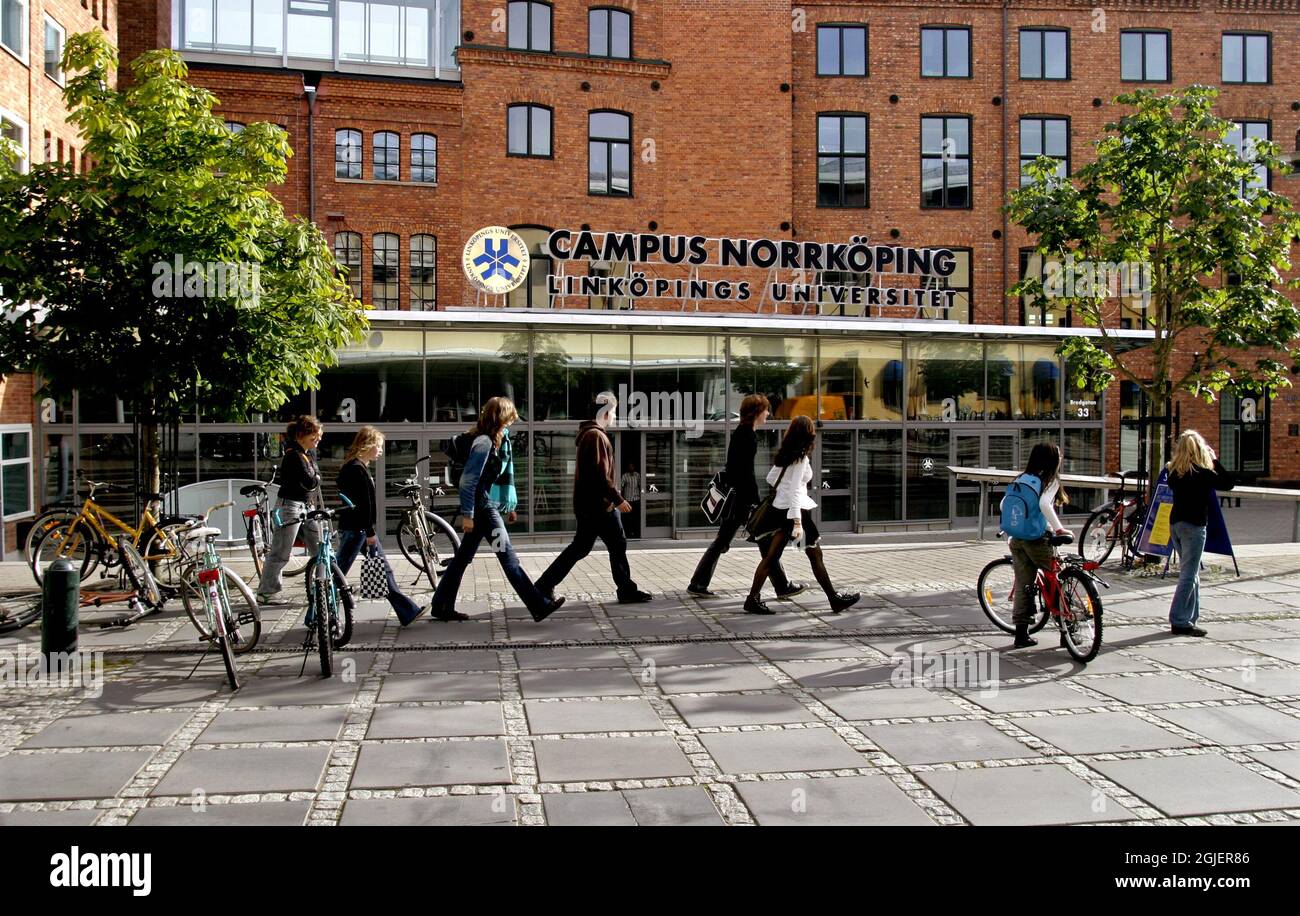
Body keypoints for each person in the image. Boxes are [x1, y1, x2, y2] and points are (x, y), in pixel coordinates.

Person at [430, 397, 566, 622]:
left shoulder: (495, 440)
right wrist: (468, 515)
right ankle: (538, 605)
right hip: (483, 510)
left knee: (462, 559)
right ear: (501, 418)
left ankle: (441, 605)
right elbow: (468, 481)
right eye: (510, 417)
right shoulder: (484, 442)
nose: (513, 422)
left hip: (485, 508)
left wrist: (507, 505)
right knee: (508, 558)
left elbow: (496, 478)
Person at [535, 393, 653, 604]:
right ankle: (625, 590)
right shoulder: (595, 436)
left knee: (587, 547)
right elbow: (600, 474)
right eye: (614, 412)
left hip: (592, 505)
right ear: (605, 413)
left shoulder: (591, 435)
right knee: (612, 545)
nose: (616, 417)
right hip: (599, 506)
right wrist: (617, 499)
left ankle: (544, 585)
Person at [689, 393, 805, 599]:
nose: (768, 414)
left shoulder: (743, 433)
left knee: (730, 541)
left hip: (739, 500)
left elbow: (735, 469)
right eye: (766, 410)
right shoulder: (747, 436)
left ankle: (698, 583)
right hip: (742, 501)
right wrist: (755, 500)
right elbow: (744, 473)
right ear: (757, 413)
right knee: (763, 540)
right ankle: (782, 586)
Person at [744, 415, 859, 616]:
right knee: (815, 555)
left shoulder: (784, 455)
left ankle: (752, 599)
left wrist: (783, 490)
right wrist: (797, 522)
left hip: (781, 511)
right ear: (808, 434)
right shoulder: (800, 458)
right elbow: (797, 490)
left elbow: (772, 478)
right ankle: (834, 600)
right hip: (794, 514)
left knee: (772, 558)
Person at [335, 426, 425, 626]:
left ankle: (408, 611)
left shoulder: (356, 466)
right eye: (379, 446)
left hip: (356, 528)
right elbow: (362, 505)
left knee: (383, 570)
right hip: (357, 530)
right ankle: (316, 614)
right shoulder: (356, 469)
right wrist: (369, 531)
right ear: (368, 445)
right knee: (338, 574)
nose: (382, 451)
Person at [1166, 430, 1235, 637]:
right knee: (1188, 574)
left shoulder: (1174, 472)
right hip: (1194, 527)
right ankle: (1179, 620)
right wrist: (1214, 460)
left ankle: (1190, 619)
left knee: (1193, 572)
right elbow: (1228, 483)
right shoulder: (1203, 474)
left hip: (1175, 525)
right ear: (1199, 449)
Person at [1003, 442, 1073, 649]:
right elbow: (1044, 505)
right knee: (1057, 582)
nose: (1061, 458)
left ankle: (1021, 635)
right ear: (1051, 459)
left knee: (1024, 586)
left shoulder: (1021, 478)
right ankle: (1066, 632)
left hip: (1017, 539)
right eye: (1059, 455)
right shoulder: (1048, 480)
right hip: (1037, 539)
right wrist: (1059, 529)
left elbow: (1004, 503)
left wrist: (1014, 528)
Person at [257, 415, 324, 606]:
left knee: (320, 548)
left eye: (319, 436)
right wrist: (316, 477)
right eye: (315, 436)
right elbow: (311, 480)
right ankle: (267, 592)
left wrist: (316, 477)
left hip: (306, 506)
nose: (318, 439)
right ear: (301, 435)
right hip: (290, 507)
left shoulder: (306, 454)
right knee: (280, 552)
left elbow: (315, 477)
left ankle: (321, 585)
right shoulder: (294, 455)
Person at [619, 461, 642, 539]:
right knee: (628, 518)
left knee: (635, 517)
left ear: (634, 467)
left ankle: (636, 532)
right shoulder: (625, 476)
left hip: (636, 499)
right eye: (630, 466)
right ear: (628, 468)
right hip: (628, 499)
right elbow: (621, 487)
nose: (631, 468)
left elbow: (641, 485)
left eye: (632, 466)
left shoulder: (637, 475)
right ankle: (628, 533)